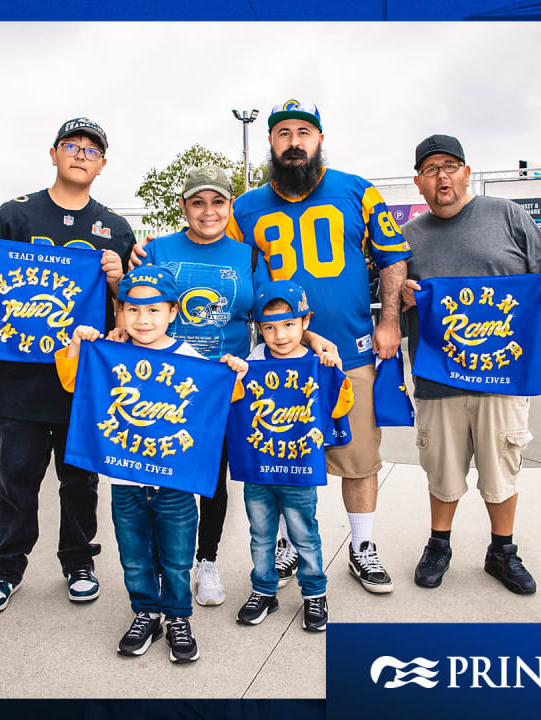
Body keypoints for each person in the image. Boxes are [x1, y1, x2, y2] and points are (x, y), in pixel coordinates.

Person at [221, 99, 411, 594]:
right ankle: (286, 547)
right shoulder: (245, 207)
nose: (294, 142)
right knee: (277, 455)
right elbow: (224, 267)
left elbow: (391, 259)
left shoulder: (358, 190)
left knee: (359, 456)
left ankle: (362, 546)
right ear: (270, 142)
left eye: (304, 132)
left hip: (347, 353)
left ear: (319, 139)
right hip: (275, 358)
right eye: (283, 133)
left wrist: (389, 318)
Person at [0, 117, 131, 614]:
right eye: (71, 146)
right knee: (16, 479)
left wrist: (120, 280)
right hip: (19, 383)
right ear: (53, 153)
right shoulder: (15, 214)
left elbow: (130, 312)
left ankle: (79, 561)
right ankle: (5, 568)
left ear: (102, 164)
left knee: (80, 481)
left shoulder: (115, 228)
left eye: (92, 149)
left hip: (83, 383)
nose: (81, 154)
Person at [138, 165, 336, 606]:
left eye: (218, 202)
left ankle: (205, 562)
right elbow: (137, 303)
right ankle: (161, 566)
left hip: (227, 384)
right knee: (161, 479)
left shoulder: (247, 256)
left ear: (231, 205)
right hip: (165, 382)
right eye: (197, 202)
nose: (208, 211)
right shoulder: (156, 249)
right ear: (184, 206)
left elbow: (276, 309)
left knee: (213, 479)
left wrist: (313, 336)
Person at [400, 134, 541, 594]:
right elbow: (392, 302)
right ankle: (439, 545)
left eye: (450, 166)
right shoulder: (407, 239)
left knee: (501, 466)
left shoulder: (507, 215)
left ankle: (502, 551)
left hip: (503, 375)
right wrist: (402, 296)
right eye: (432, 169)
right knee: (442, 466)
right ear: (419, 182)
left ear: (466, 173)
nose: (442, 176)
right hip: (438, 375)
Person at [54, 267, 248, 662]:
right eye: (133, 310)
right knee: (133, 555)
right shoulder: (111, 353)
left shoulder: (191, 357)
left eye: (154, 310)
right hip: (124, 480)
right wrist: (79, 343)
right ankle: (145, 613)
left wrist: (235, 372)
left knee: (177, 560)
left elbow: (224, 398)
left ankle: (177, 617)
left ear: (174, 312)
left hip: (175, 484)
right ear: (120, 311)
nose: (143, 320)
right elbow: (72, 380)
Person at [233, 281, 351, 632]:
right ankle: (263, 590)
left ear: (305, 322)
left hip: (299, 468)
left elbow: (341, 404)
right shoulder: (253, 360)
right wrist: (234, 372)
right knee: (261, 533)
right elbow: (232, 397)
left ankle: (315, 594)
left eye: (288, 324)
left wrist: (335, 370)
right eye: (268, 327)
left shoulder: (318, 362)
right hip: (259, 467)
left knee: (304, 533)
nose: (279, 335)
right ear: (258, 328)